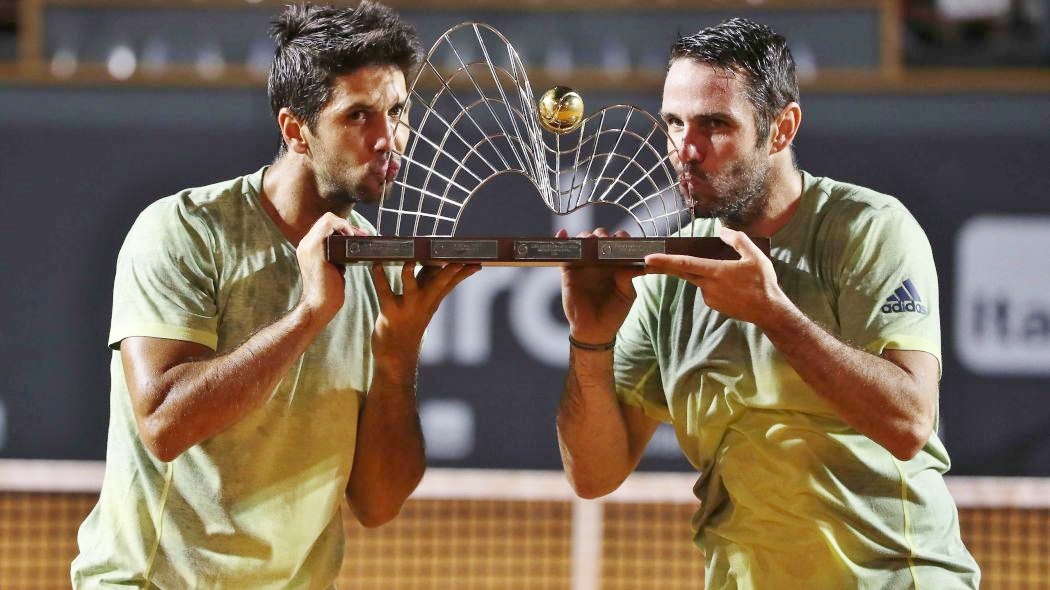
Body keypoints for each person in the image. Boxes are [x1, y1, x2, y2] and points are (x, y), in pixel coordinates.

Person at [555, 17, 980, 588]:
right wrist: (591, 337)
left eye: (715, 125)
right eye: (674, 123)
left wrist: (774, 314)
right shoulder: (666, 273)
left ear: (782, 129)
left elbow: (908, 422)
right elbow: (594, 475)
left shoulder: (867, 229)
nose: (686, 149)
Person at [71, 2, 478, 587]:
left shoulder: (373, 260)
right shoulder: (184, 230)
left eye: (397, 110)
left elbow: (378, 504)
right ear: (295, 131)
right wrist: (312, 313)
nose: (389, 139)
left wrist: (398, 355)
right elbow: (164, 423)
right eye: (358, 115)